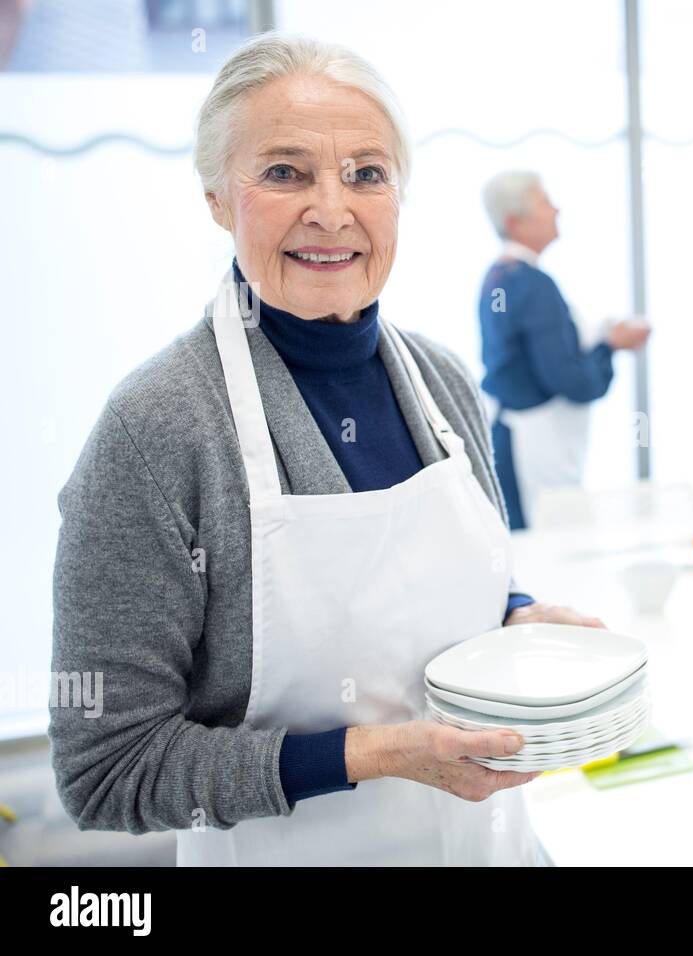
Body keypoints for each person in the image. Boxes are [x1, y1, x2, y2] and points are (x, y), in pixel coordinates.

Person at [49, 33, 605, 866]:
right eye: (285, 172)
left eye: (367, 174)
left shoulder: (443, 382)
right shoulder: (158, 427)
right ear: (215, 197)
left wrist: (516, 617)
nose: (333, 210)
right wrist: (373, 755)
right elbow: (105, 768)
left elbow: (434, 595)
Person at [478, 171, 650, 529]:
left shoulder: (500, 277)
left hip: (514, 437)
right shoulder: (532, 284)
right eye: (544, 202)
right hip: (536, 448)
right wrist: (610, 346)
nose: (556, 210)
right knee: (545, 545)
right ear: (515, 221)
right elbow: (570, 380)